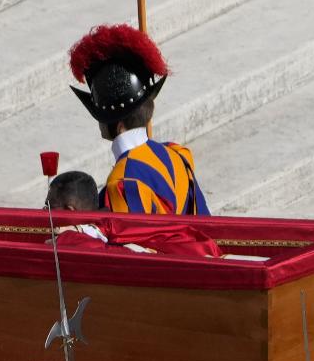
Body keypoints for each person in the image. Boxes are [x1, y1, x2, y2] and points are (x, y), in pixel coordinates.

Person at [68, 23, 210, 216]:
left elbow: (128, 244)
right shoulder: (176, 154)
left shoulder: (123, 180)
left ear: (118, 126)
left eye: (100, 117)